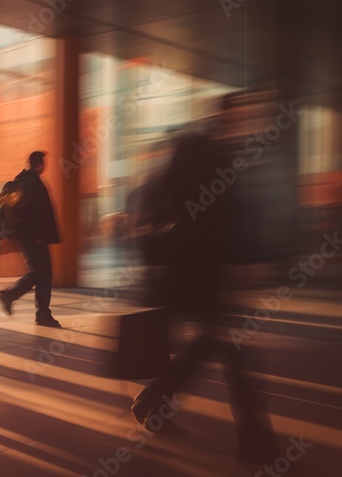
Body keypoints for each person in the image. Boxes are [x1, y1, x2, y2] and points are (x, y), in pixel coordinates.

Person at [130, 93, 274, 461]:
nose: (250, 120)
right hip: (199, 268)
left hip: (194, 268)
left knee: (213, 342)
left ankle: (155, 400)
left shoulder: (202, 151)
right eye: (245, 113)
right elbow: (213, 217)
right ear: (227, 115)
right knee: (228, 345)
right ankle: (255, 440)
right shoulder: (207, 152)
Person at [0, 151, 62, 328]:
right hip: (36, 237)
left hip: (28, 237)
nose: (46, 165)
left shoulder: (23, 181)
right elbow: (36, 214)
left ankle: (43, 313)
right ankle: (10, 295)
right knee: (41, 271)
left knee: (44, 273)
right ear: (40, 164)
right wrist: (40, 236)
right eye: (44, 162)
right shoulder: (34, 183)